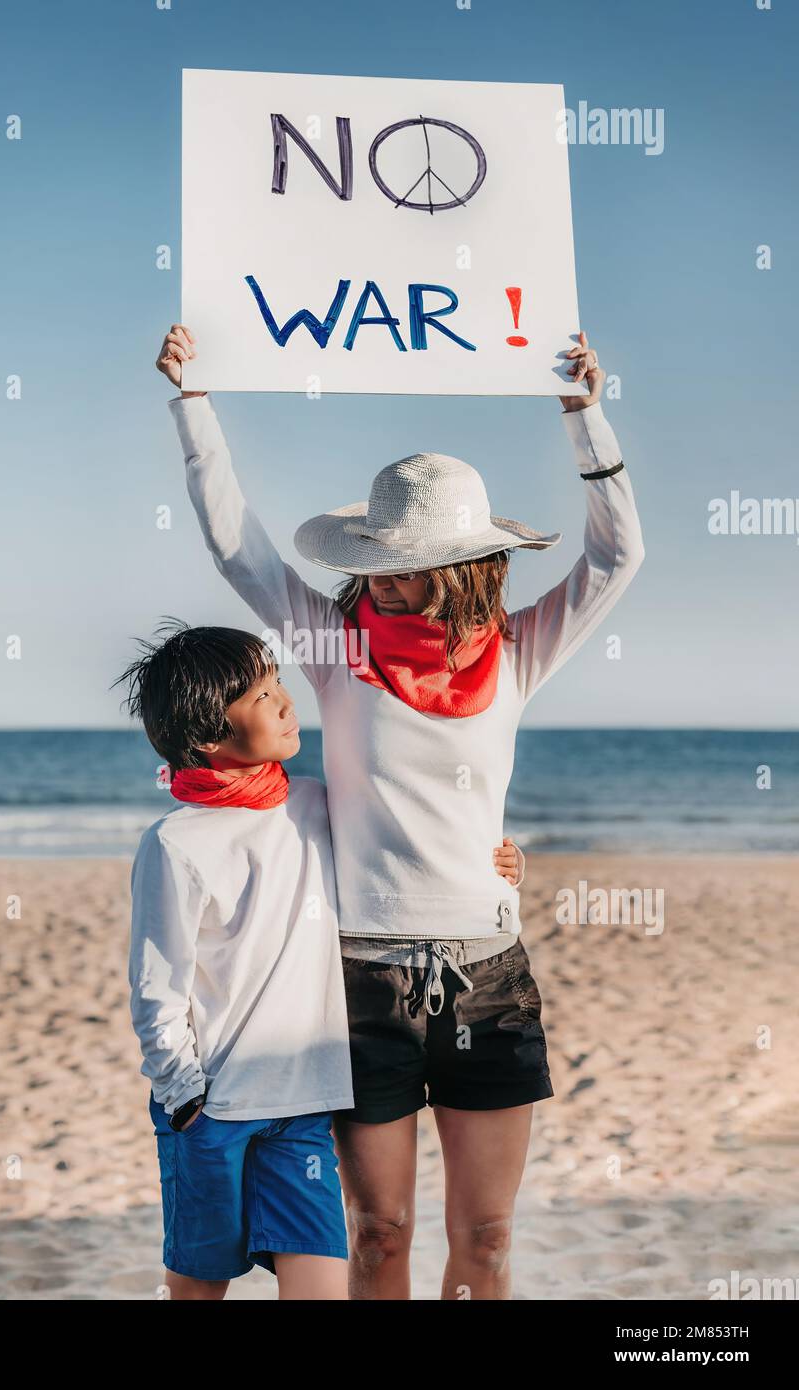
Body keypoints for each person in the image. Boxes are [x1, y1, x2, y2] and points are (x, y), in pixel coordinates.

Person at [156, 323, 644, 1299]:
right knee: (377, 1233)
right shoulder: (336, 652)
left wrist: (583, 417)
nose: (379, 576)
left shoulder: (515, 653)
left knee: (488, 1237)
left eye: (404, 561)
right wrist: (193, 402)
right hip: (359, 984)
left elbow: (615, 555)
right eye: (376, 557)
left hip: (487, 980)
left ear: (461, 563)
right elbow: (234, 546)